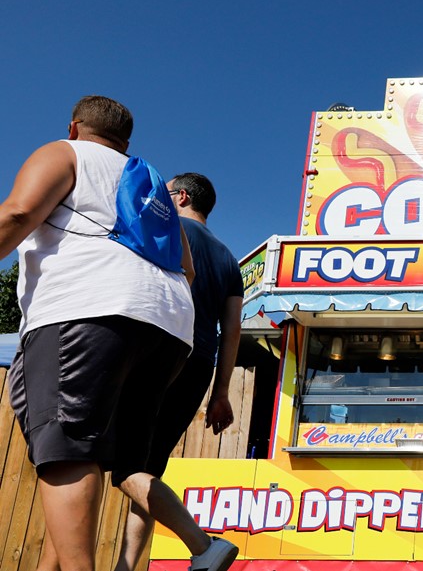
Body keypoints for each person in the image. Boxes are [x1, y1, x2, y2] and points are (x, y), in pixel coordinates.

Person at [0, 96, 237, 571]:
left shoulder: (67, 153)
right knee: (109, 460)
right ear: (127, 141)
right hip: (169, 331)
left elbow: (20, 214)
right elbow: (186, 271)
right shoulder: (149, 185)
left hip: (88, 310)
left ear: (74, 126)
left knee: (66, 447)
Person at [112, 173, 245, 571]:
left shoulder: (162, 226)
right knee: (147, 472)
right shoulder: (228, 259)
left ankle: (203, 545)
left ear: (181, 197)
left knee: (124, 468)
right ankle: (126, 567)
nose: (160, 199)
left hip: (157, 352)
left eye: (165, 193)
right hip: (200, 364)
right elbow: (232, 331)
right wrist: (221, 394)